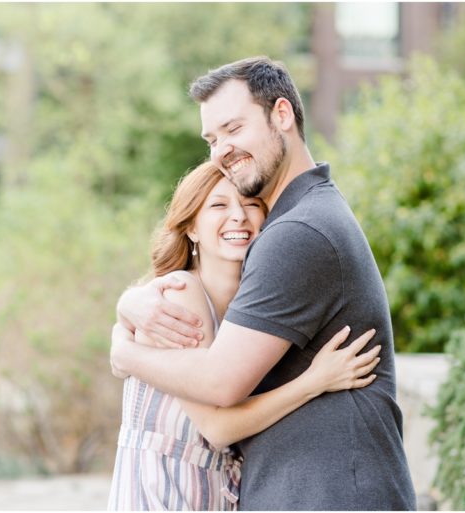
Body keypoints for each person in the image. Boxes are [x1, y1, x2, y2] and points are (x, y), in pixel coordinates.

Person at [110, 56, 416, 510]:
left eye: (233, 129)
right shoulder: (296, 222)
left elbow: (220, 383)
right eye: (212, 139)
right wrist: (128, 305)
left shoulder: (299, 232)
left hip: (332, 495)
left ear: (282, 115)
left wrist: (124, 352)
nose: (221, 150)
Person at [108, 161, 381, 510]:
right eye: (219, 206)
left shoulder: (252, 315)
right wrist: (316, 380)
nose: (238, 216)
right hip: (161, 492)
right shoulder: (179, 295)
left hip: (216, 494)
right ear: (191, 227)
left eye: (251, 205)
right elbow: (217, 429)